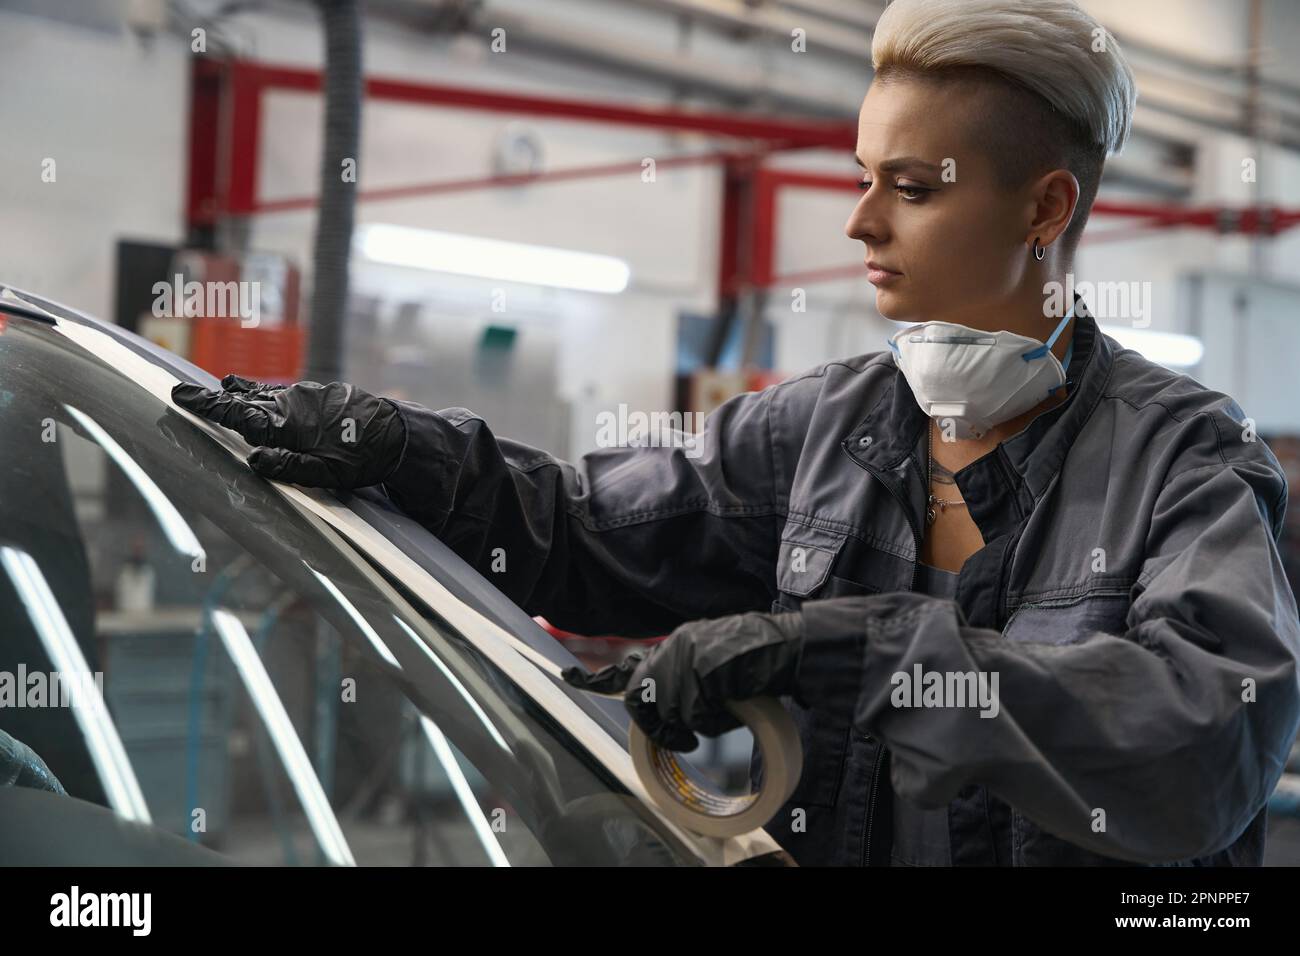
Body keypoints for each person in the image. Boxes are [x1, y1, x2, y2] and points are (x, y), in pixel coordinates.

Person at [173, 0, 1300, 867]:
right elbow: (574, 527)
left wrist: (845, 652)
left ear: (1045, 209)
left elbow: (1203, 732)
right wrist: (395, 445)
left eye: (909, 186)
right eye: (864, 178)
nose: (859, 221)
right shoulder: (826, 429)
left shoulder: (1183, 463)